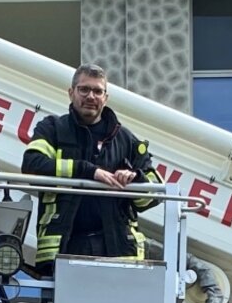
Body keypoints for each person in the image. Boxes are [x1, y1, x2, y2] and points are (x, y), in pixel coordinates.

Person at [21, 64, 162, 271]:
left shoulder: (126, 139)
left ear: (106, 97)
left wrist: (134, 179)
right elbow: (32, 165)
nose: (91, 96)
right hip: (64, 248)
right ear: (71, 93)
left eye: (98, 91)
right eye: (84, 89)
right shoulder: (53, 129)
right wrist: (87, 171)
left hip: (119, 251)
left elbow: (154, 193)